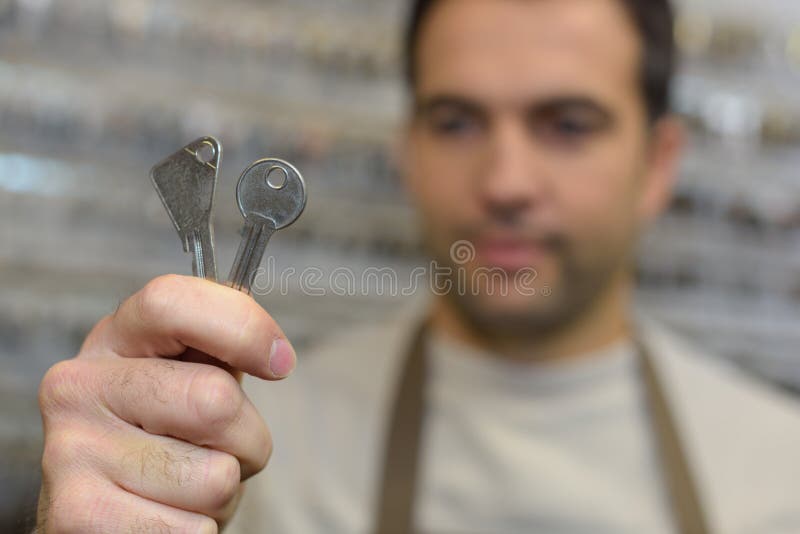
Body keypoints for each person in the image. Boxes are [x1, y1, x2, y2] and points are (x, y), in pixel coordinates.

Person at [35, 0, 800, 533]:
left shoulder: (782, 473)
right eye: (457, 122)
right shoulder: (234, 449)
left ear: (659, 164)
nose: (506, 182)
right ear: (409, 150)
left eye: (568, 125)